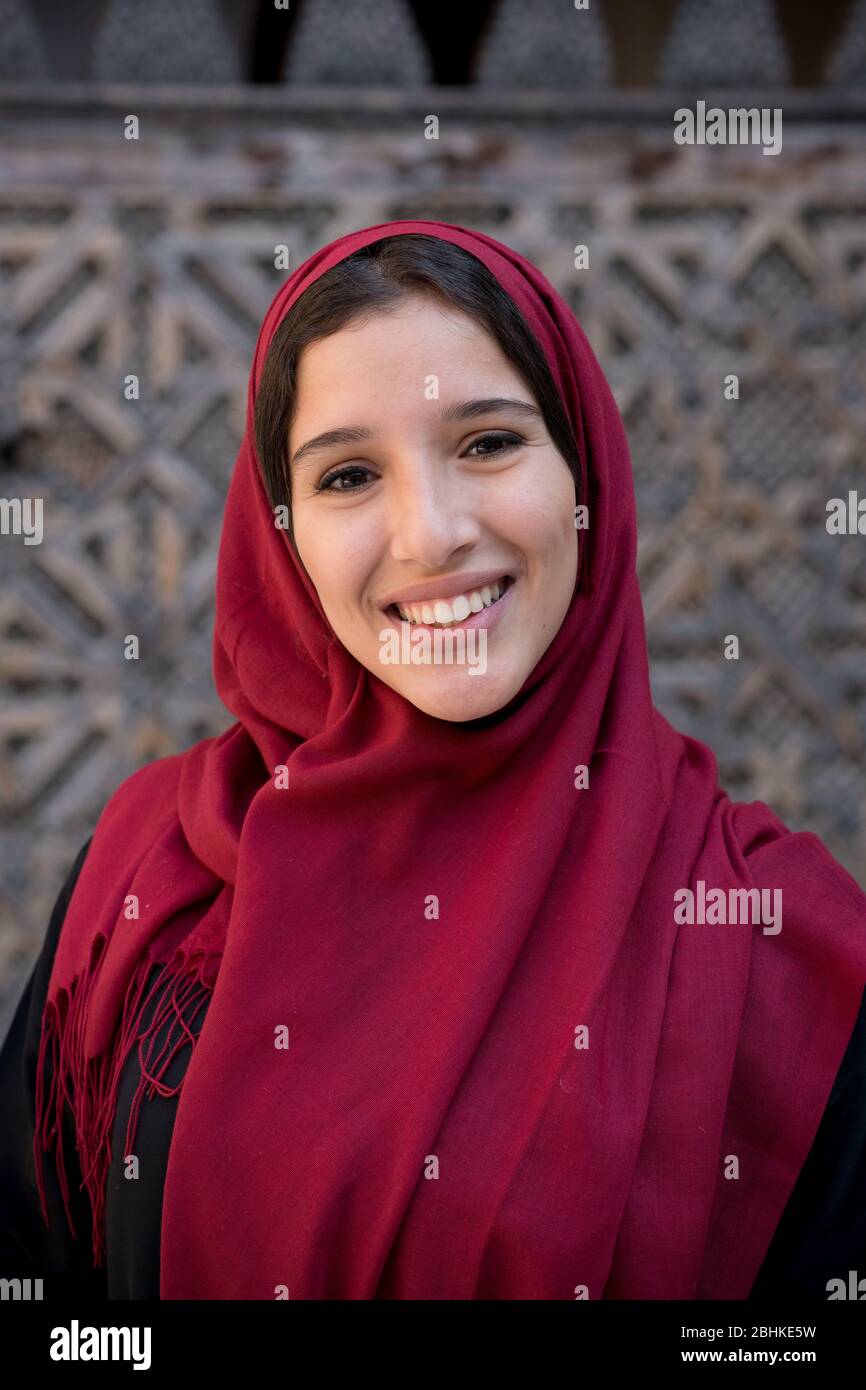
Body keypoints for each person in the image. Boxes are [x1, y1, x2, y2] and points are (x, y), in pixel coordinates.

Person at [1, 220, 865, 1301]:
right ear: (282, 538)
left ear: (582, 469)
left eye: (487, 443)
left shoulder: (776, 941)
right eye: (349, 474)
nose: (428, 534)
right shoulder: (151, 876)